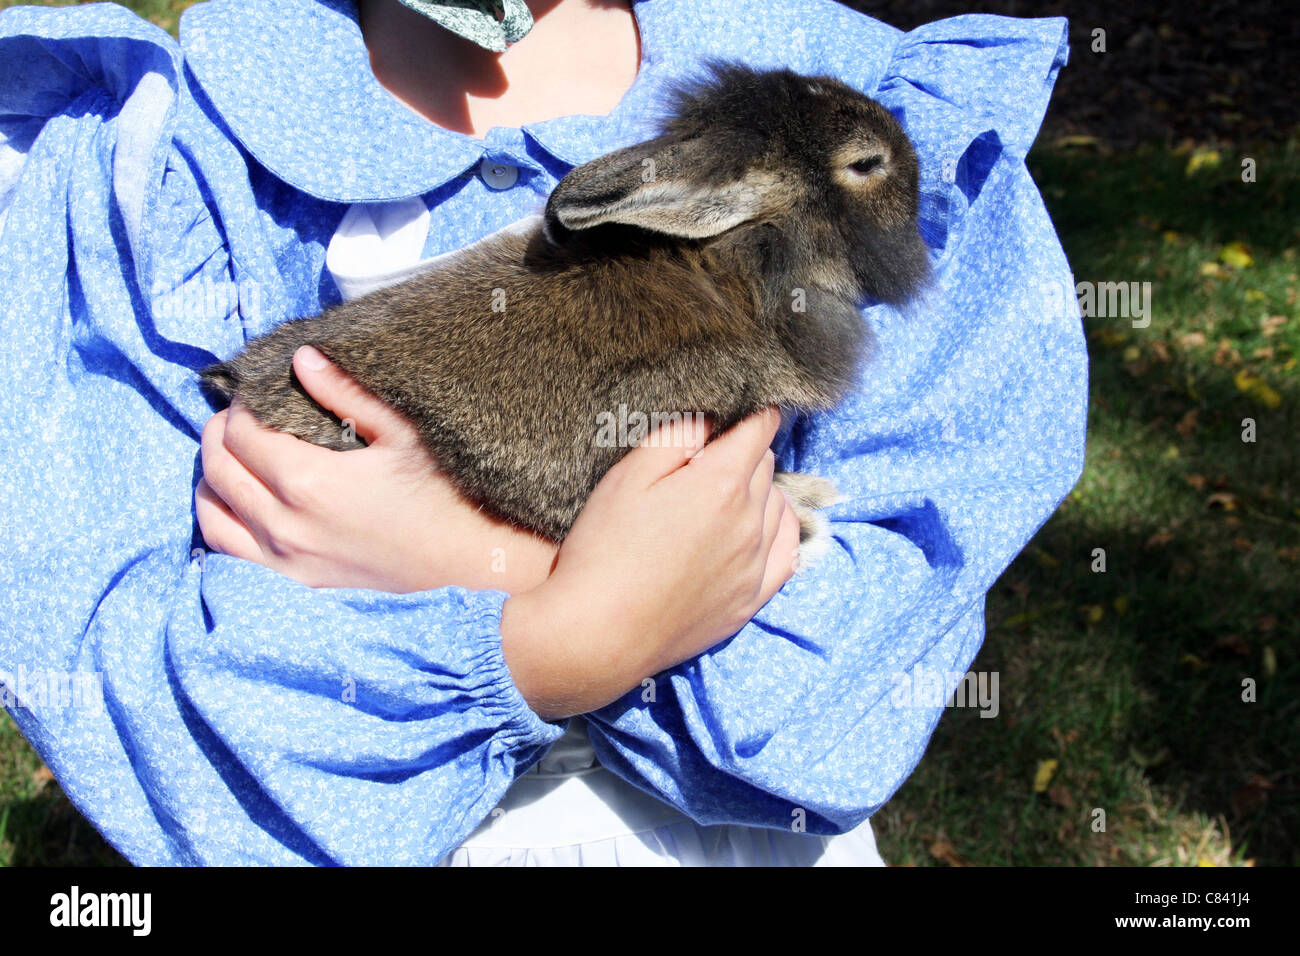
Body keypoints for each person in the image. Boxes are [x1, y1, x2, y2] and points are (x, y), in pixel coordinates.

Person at [0, 0, 1084, 865]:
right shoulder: (174, 148)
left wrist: (529, 591)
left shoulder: (866, 104)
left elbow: (867, 656)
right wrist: (535, 641)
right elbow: (120, 678)